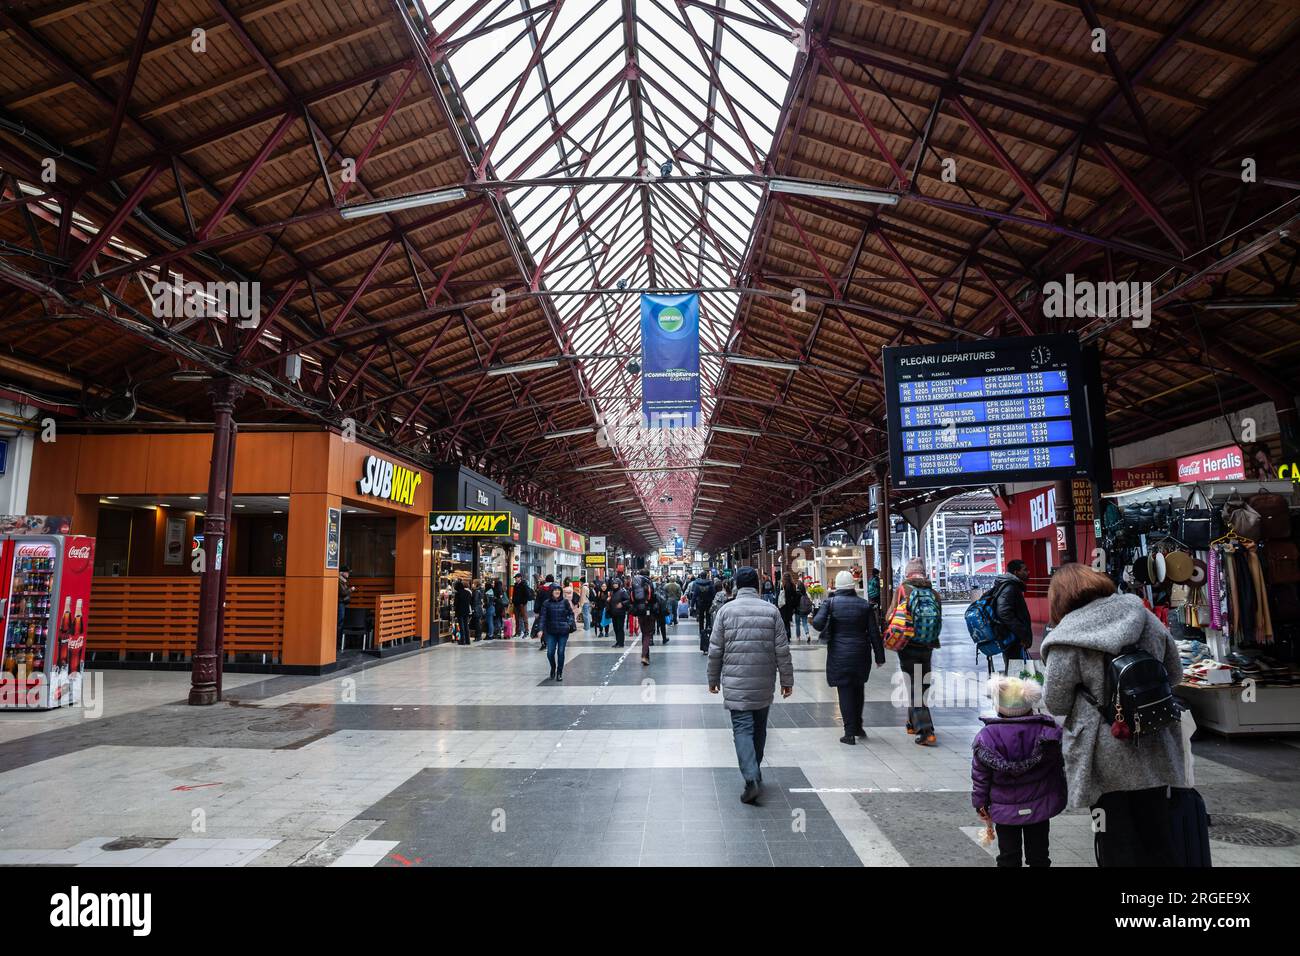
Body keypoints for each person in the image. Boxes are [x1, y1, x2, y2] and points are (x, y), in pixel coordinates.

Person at [1040, 563, 1186, 866]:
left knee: (1112, 837)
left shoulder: (1068, 636)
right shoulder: (1142, 615)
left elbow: (1056, 702)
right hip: (1154, 737)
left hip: (1103, 752)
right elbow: (1174, 674)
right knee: (1158, 835)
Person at [708, 566, 794, 804]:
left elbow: (715, 650)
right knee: (759, 727)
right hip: (764, 680)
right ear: (757, 585)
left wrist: (712, 679)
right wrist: (787, 680)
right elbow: (782, 650)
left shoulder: (725, 611)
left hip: (735, 682)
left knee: (742, 729)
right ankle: (754, 769)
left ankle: (751, 777)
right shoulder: (771, 611)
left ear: (736, 585)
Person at [971, 676, 1067, 868]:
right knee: (1039, 856)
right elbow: (1058, 768)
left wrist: (980, 803)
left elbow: (980, 776)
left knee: (1008, 857)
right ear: (1030, 705)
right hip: (1040, 805)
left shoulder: (987, 736)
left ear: (998, 707)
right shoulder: (1047, 733)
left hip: (1004, 809)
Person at [813, 570, 885, 744]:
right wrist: (880, 656)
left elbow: (817, 624)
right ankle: (858, 726)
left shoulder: (830, 603)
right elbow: (874, 633)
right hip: (861, 653)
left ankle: (849, 733)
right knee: (858, 689)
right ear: (853, 586)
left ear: (837, 586)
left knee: (844, 691)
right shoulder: (864, 605)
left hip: (839, 654)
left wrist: (825, 608)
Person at [893, 557, 942, 746]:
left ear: (907, 574)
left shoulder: (903, 590)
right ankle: (911, 723)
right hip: (928, 645)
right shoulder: (933, 592)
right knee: (922, 684)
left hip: (907, 645)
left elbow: (891, 615)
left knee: (913, 686)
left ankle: (925, 730)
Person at [991, 560, 1033, 672]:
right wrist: (1022, 634)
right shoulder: (1010, 588)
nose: (1028, 572)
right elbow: (1004, 612)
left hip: (1011, 636)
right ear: (1016, 572)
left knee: (1015, 668)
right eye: (1024, 570)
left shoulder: (1011, 586)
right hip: (1011, 637)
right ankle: (1013, 689)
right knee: (1014, 669)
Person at [538, 581, 576, 681]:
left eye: (558, 590)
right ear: (551, 591)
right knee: (550, 653)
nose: (557, 591)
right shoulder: (546, 603)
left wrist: (569, 623)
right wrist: (540, 629)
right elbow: (543, 617)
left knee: (561, 652)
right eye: (555, 590)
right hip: (551, 631)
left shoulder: (565, 602)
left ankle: (559, 672)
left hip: (563, 631)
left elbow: (571, 614)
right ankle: (553, 667)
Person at [630, 569, 657, 665]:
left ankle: (646, 655)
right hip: (648, 610)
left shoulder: (635, 584)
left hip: (639, 610)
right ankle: (644, 656)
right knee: (647, 634)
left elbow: (632, 598)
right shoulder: (649, 583)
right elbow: (653, 597)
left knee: (644, 632)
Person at [693, 571, 716, 653]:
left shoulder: (697, 584)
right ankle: (708, 630)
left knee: (701, 617)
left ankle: (701, 632)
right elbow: (713, 594)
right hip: (708, 603)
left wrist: (692, 605)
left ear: (700, 576)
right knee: (708, 617)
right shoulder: (710, 584)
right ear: (706, 576)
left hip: (700, 603)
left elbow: (694, 595)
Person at [533, 574, 554, 650]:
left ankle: (544, 643)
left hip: (543, 611)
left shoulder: (541, 589)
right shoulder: (555, 588)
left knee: (543, 627)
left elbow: (537, 601)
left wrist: (536, 611)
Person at [778, 571, 799, 642]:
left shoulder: (782, 585)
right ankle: (788, 635)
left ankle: (786, 635)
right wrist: (794, 606)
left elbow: (779, 595)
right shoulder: (792, 585)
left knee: (784, 622)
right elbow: (795, 596)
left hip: (783, 606)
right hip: (790, 607)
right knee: (788, 622)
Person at [609, 578, 629, 647]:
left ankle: (621, 643)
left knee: (620, 628)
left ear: (619, 584)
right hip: (614, 613)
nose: (615, 585)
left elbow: (628, 600)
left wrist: (622, 604)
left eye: (616, 584)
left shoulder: (622, 592)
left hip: (620, 613)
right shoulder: (612, 592)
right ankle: (618, 641)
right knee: (615, 628)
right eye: (614, 584)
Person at [337, 566, 355, 640]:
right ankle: (338, 639)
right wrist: (350, 589)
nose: (348, 574)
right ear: (342, 572)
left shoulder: (343, 580)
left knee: (342, 621)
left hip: (343, 603)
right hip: (341, 603)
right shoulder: (339, 580)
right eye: (347, 572)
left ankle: (340, 639)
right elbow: (342, 593)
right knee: (340, 621)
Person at [511, 573, 531, 639]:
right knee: (517, 619)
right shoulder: (516, 585)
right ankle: (517, 632)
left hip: (522, 604)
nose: (516, 579)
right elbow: (514, 594)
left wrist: (523, 602)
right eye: (515, 578)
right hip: (516, 604)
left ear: (520, 578)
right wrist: (513, 601)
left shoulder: (524, 585)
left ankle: (526, 631)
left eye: (517, 578)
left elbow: (527, 595)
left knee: (524, 618)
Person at [453, 579, 472, 646]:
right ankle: (468, 640)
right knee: (466, 625)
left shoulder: (458, 594)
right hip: (466, 611)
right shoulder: (468, 593)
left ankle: (462, 640)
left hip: (460, 611)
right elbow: (470, 602)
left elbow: (456, 603)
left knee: (461, 626)